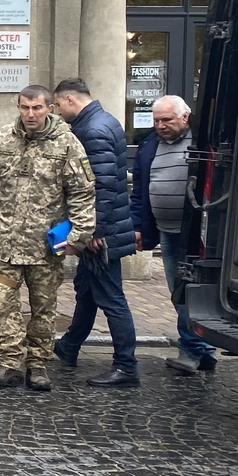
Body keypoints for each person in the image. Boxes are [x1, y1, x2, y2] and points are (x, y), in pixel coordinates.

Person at [0, 85, 97, 392]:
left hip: (46, 247)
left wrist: (80, 234)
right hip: (2, 243)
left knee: (44, 308)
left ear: (50, 108)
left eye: (37, 108)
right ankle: (9, 364)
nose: (30, 114)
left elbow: (82, 192)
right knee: (4, 307)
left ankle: (37, 365)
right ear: (18, 107)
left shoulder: (67, 144)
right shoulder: (0, 140)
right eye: (25, 107)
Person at [52, 78, 140, 387]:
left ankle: (126, 366)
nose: (58, 112)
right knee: (87, 291)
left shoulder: (92, 131)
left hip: (100, 232)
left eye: (58, 105)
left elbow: (101, 186)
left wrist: (91, 232)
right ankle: (70, 345)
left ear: (71, 100)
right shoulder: (103, 121)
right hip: (104, 226)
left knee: (111, 297)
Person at [133, 94, 216, 376]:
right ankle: (204, 350)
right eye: (156, 120)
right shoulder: (149, 146)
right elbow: (140, 192)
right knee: (178, 293)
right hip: (166, 232)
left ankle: (191, 350)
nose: (160, 125)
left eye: (166, 119)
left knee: (189, 292)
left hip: (196, 234)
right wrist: (140, 227)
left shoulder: (201, 145)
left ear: (185, 117)